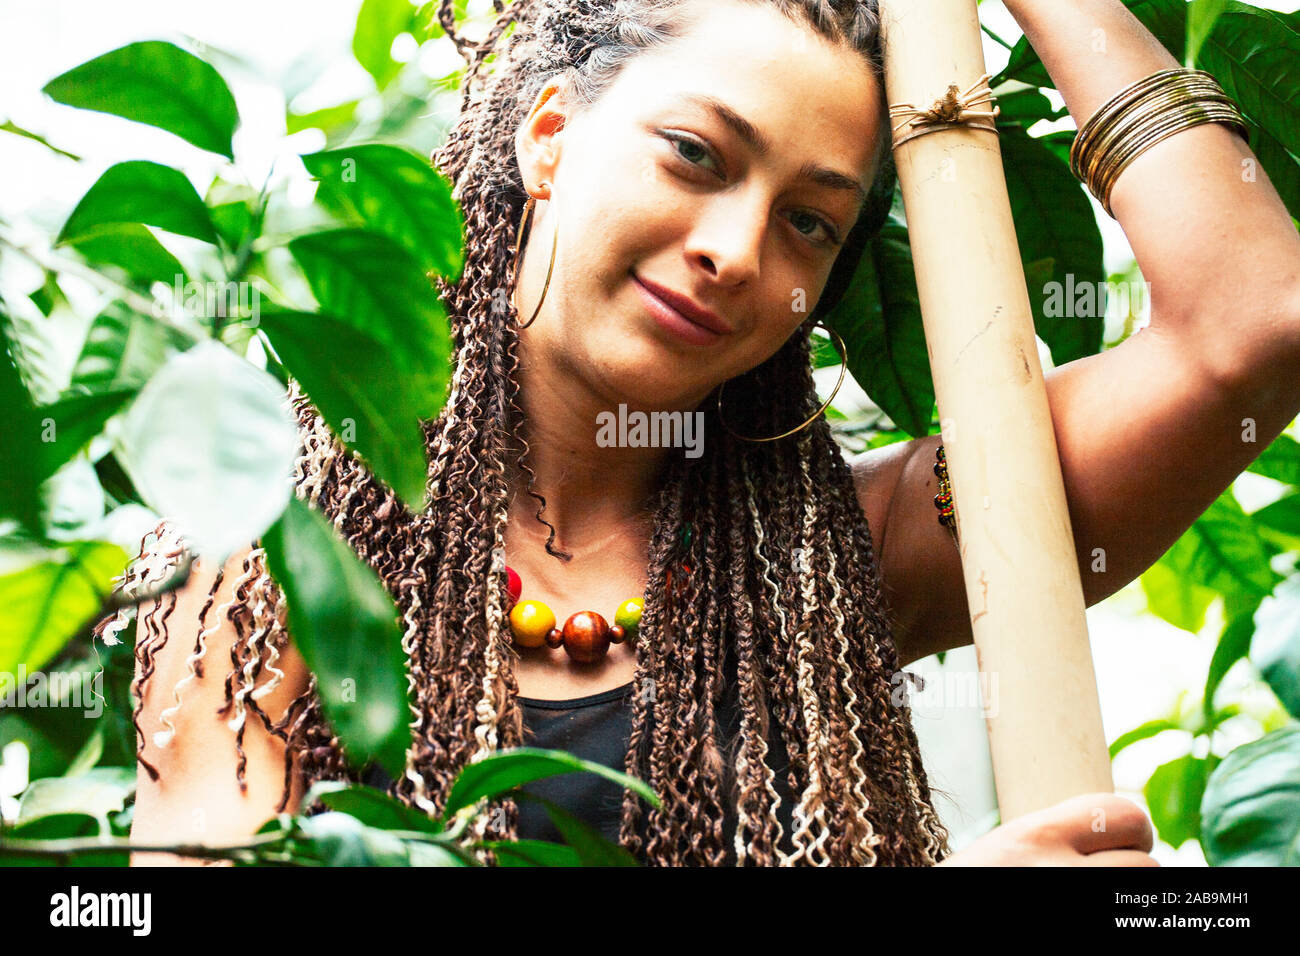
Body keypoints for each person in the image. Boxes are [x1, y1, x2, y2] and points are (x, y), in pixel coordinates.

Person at [116, 0, 1300, 866]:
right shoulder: (270, 553)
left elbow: (1254, 327)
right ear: (548, 136)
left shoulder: (843, 555)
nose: (737, 249)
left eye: (808, 223)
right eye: (694, 154)